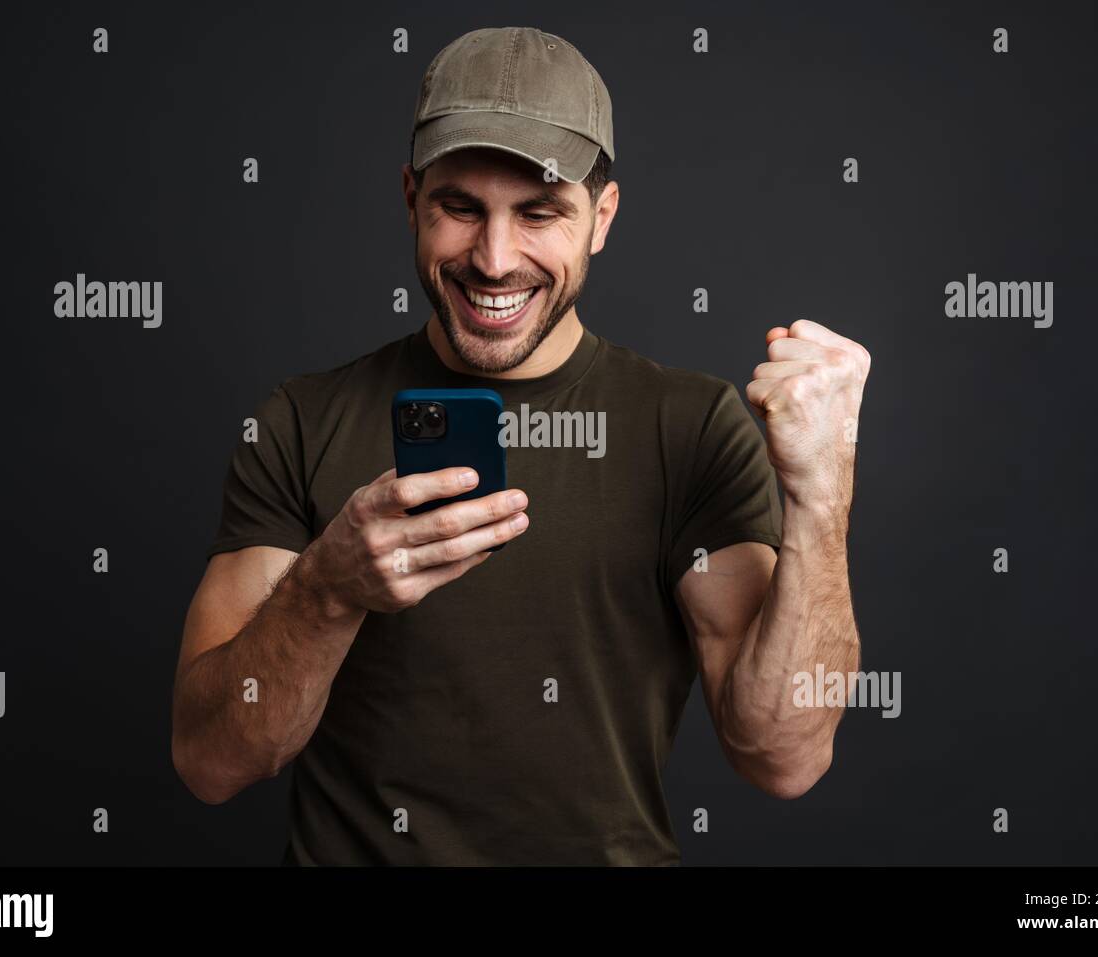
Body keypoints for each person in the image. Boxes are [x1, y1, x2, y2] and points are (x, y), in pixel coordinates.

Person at [171, 26, 871, 865]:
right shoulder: (301, 421)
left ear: (601, 217)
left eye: (540, 212)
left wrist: (822, 493)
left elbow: (782, 754)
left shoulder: (690, 428)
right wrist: (328, 588)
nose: (494, 259)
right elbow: (209, 762)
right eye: (460, 207)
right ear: (409, 199)